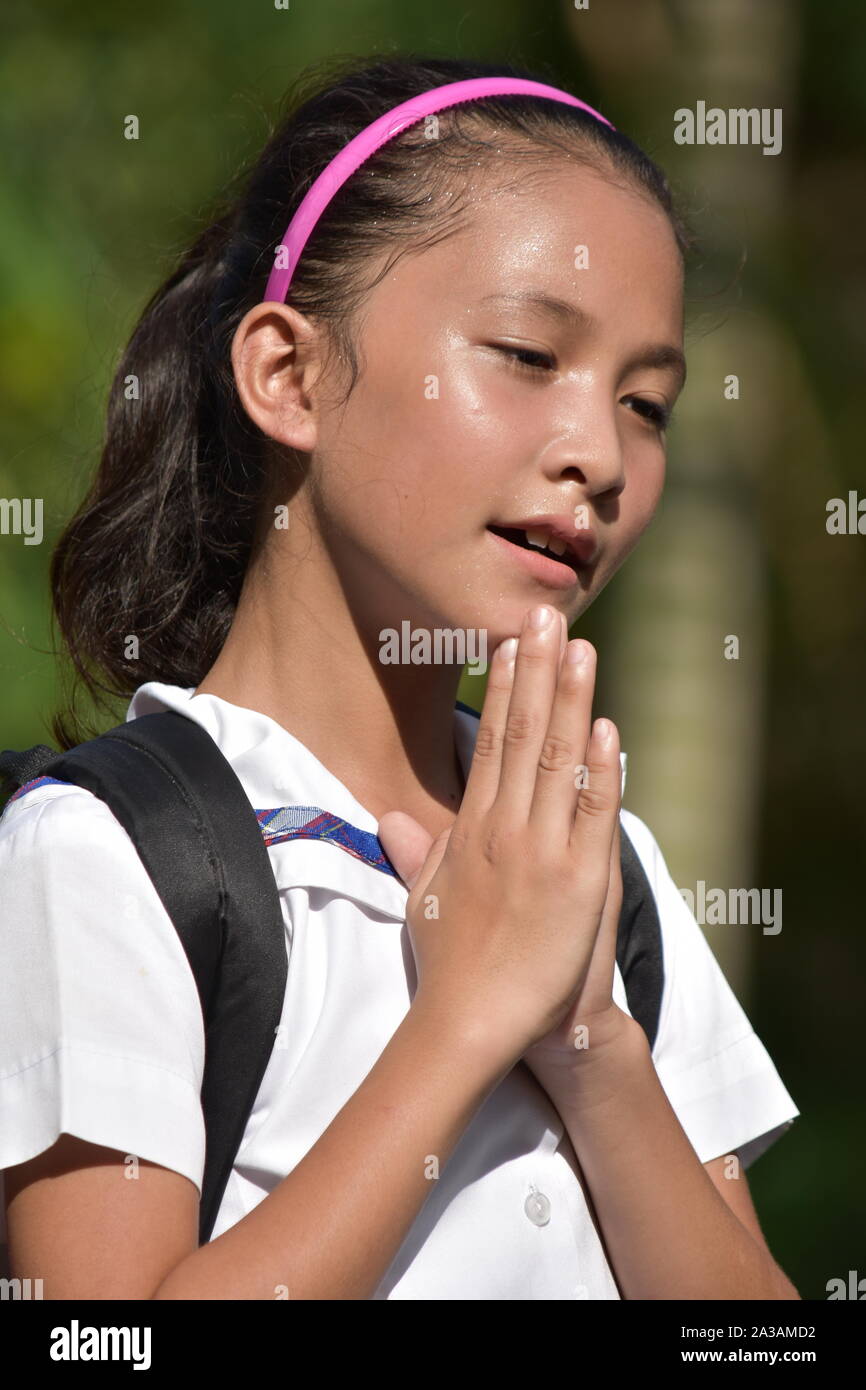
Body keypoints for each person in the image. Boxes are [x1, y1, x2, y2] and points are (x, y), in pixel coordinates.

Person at [0, 54, 800, 1300]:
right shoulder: (108, 852)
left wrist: (587, 1043)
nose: (599, 453)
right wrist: (471, 1011)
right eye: (528, 354)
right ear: (287, 374)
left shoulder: (599, 870)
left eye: (647, 404)